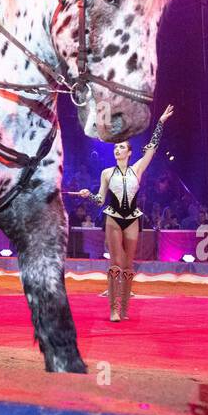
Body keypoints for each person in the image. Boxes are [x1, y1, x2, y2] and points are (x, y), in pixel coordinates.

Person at [78, 104, 175, 322]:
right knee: (115, 263)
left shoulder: (137, 169)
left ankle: (125, 309)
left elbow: (151, 148)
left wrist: (160, 123)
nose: (118, 150)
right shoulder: (106, 173)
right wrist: (88, 195)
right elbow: (100, 200)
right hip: (113, 217)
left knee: (128, 265)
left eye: (122, 147)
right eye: (116, 148)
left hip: (132, 218)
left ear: (129, 152)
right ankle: (113, 309)